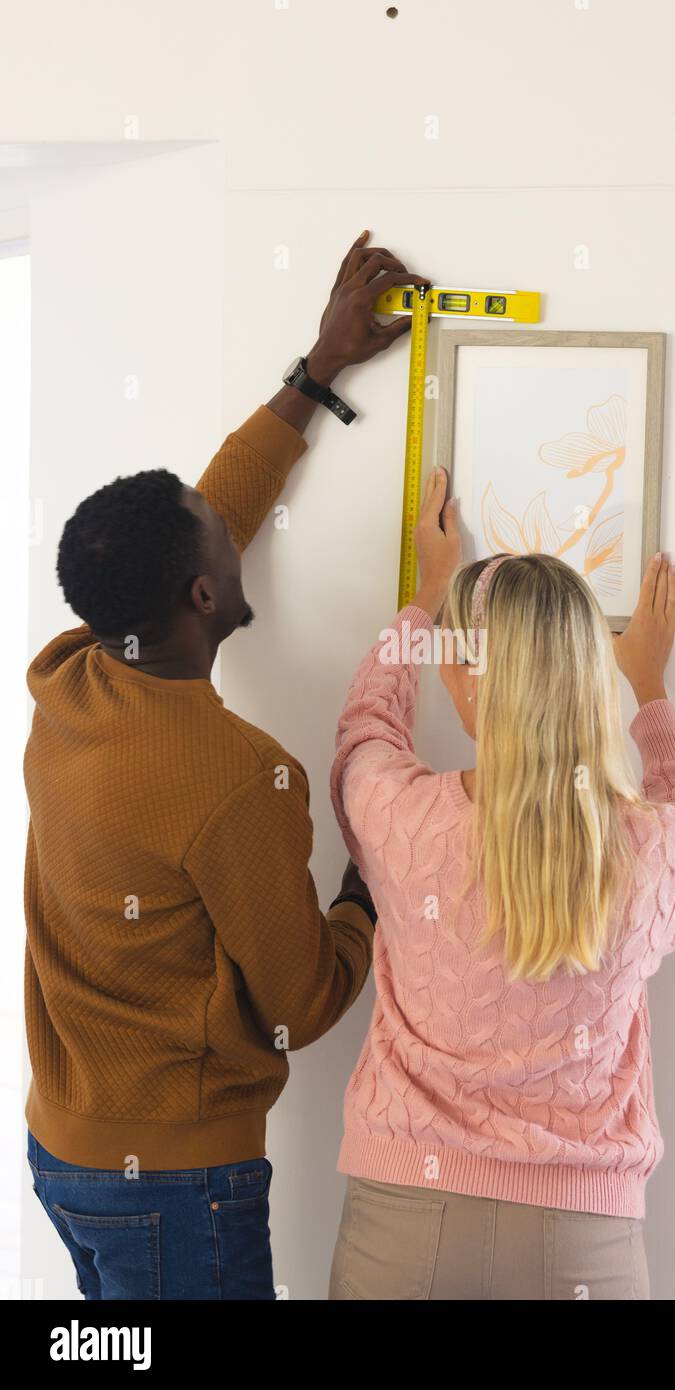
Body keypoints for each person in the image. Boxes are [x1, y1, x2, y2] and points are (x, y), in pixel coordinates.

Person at [23, 232, 428, 1301]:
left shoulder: (72, 677)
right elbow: (299, 1001)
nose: (231, 534)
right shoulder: (234, 779)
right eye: (219, 544)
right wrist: (362, 894)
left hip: (65, 1153)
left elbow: (209, 505)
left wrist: (316, 370)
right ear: (202, 597)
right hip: (172, 1181)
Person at [328, 466, 675, 1300]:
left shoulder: (397, 816)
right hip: (582, 1240)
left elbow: (366, 725)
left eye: (449, 655)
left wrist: (426, 592)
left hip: (405, 1221)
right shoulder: (659, 849)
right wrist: (647, 688)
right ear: (587, 675)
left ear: (473, 677)